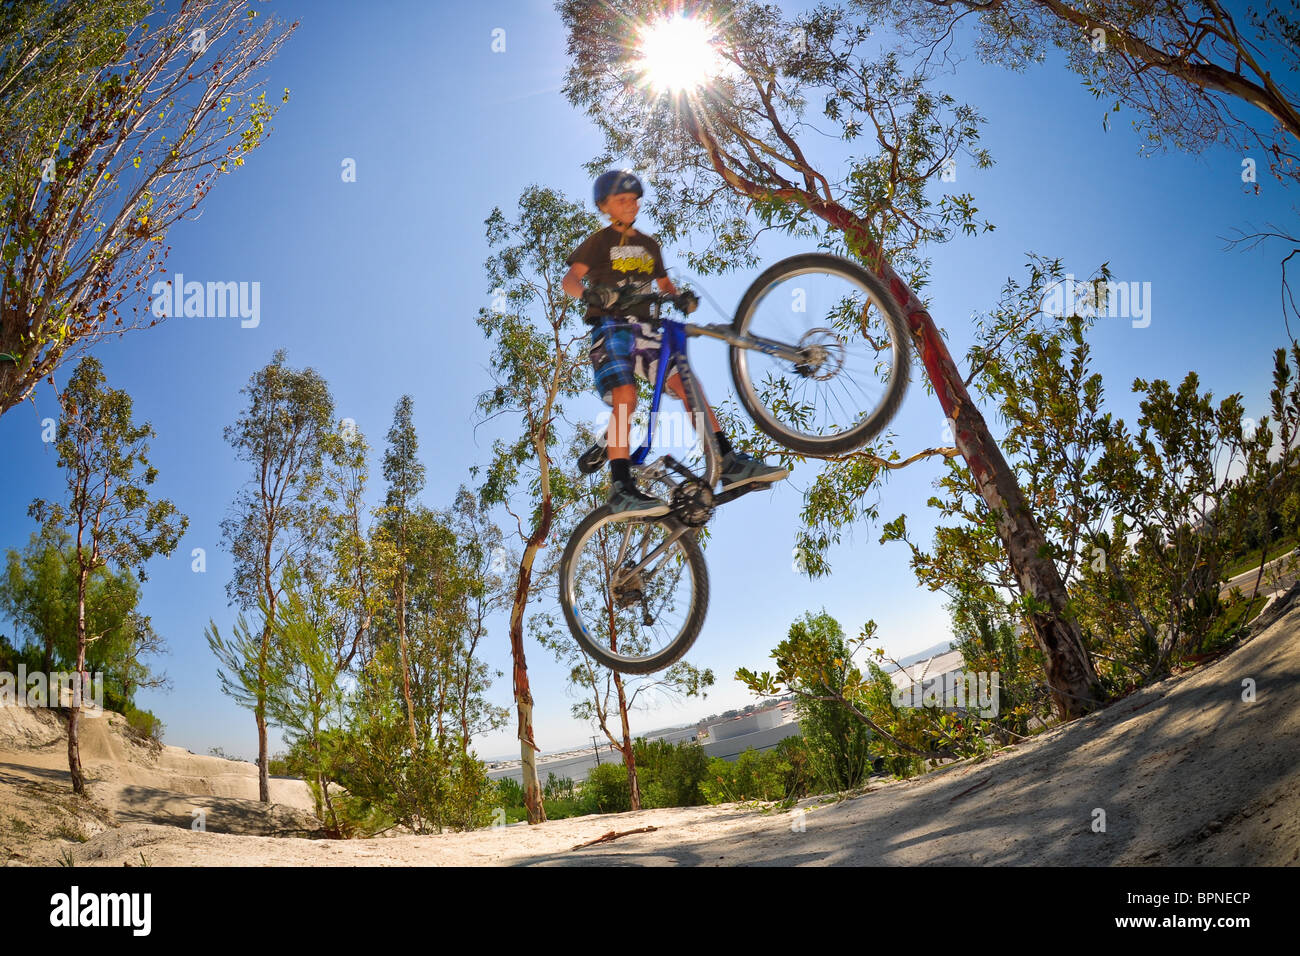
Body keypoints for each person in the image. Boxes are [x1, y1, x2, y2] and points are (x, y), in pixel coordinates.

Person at [561, 169, 787, 518]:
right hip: (612, 326)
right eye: (622, 200)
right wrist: (591, 292)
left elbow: (665, 285)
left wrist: (680, 298)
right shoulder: (599, 241)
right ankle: (620, 487)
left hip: (649, 330)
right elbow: (570, 280)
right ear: (605, 206)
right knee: (626, 398)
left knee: (687, 384)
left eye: (635, 199)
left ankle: (726, 460)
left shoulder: (650, 245)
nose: (631, 204)